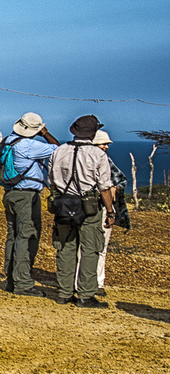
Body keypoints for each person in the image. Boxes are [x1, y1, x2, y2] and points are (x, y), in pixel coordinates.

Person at [48, 114, 119, 308]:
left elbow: (52, 182)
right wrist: (110, 211)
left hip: (63, 203)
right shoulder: (98, 155)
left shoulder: (59, 151)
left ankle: (64, 292)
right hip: (89, 205)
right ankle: (86, 295)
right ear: (93, 133)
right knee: (90, 249)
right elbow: (104, 186)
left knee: (65, 248)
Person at [0, 112, 59, 296]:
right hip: (26, 194)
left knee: (13, 236)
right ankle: (23, 282)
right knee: (27, 236)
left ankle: (11, 279)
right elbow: (58, 150)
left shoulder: (7, 142)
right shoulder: (28, 145)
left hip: (10, 193)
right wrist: (45, 133)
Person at [90, 130, 131, 297]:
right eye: (103, 143)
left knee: (99, 246)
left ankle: (97, 281)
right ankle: (93, 282)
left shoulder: (105, 160)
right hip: (99, 207)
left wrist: (115, 188)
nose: (106, 147)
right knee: (97, 246)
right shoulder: (100, 160)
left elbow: (122, 180)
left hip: (95, 207)